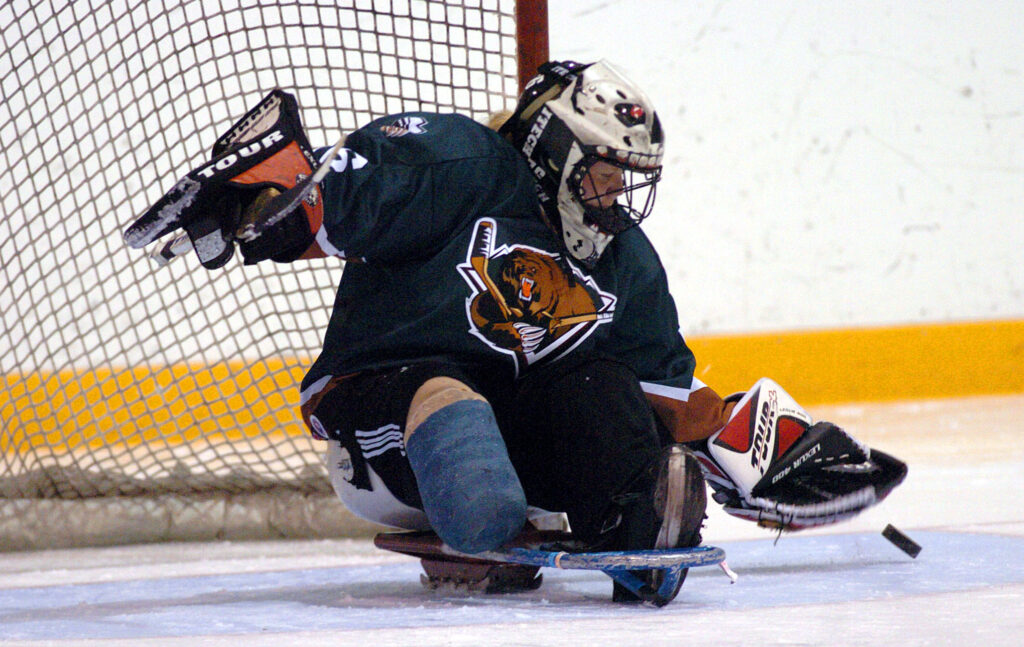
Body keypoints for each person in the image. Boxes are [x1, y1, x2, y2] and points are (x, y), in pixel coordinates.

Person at [124, 60, 906, 604]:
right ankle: (481, 521)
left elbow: (670, 394)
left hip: (516, 414)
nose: (614, 193)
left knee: (602, 392)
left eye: (626, 177)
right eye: (603, 168)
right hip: (383, 416)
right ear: (553, 147)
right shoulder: (462, 166)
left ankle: (637, 526)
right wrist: (269, 197)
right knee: (458, 420)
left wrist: (769, 446)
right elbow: (338, 199)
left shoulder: (624, 263)